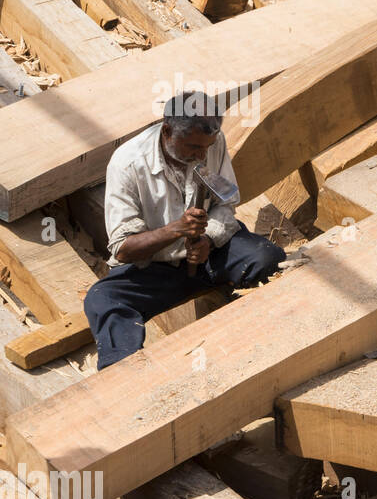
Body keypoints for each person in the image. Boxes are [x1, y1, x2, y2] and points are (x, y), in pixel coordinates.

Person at [83, 90, 286, 369]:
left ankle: (264, 341)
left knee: (267, 257)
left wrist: (210, 240)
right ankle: (125, 374)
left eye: (207, 146)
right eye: (193, 147)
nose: (202, 154)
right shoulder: (128, 164)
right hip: (155, 267)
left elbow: (226, 204)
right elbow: (123, 247)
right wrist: (175, 230)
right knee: (103, 299)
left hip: (208, 255)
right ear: (167, 131)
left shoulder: (212, 143)